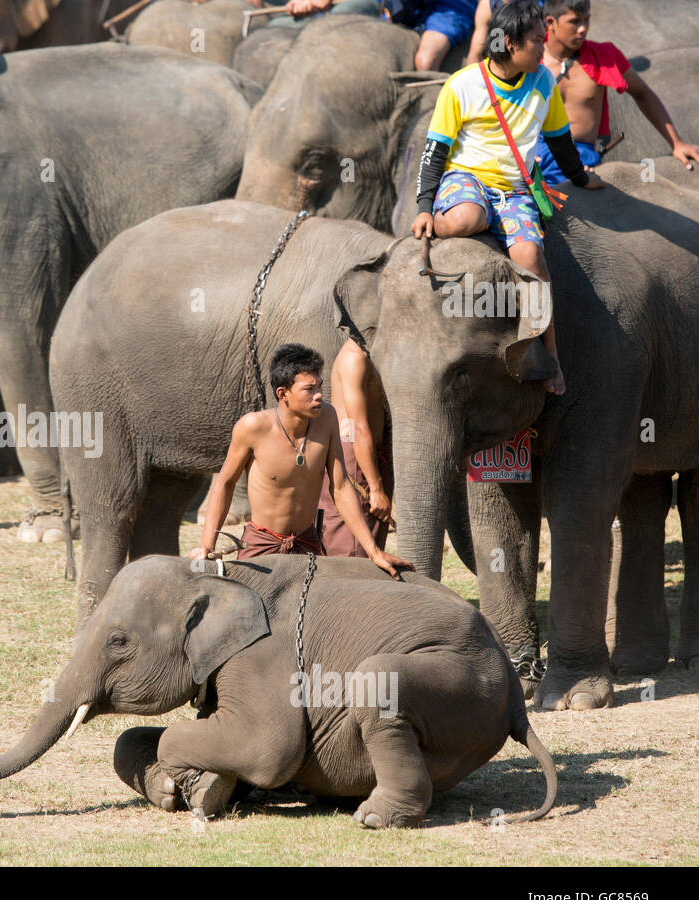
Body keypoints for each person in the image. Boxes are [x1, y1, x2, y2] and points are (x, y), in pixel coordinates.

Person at [411, 0, 604, 396]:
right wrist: (425, 207)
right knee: (466, 219)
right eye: (536, 40)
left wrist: (580, 177)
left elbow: (559, 140)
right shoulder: (462, 84)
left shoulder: (543, 83)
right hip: (466, 178)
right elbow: (434, 153)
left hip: (514, 190)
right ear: (510, 44)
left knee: (532, 259)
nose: (544, 46)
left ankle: (550, 356)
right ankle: (433, 229)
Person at [189, 344, 414, 581]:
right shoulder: (252, 427)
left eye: (320, 386)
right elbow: (225, 483)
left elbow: (340, 487)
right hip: (261, 546)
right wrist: (207, 543)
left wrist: (373, 550)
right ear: (282, 394)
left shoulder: (327, 418)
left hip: (307, 543)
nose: (318, 395)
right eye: (309, 389)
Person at [535, 0, 699, 180]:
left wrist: (677, 143)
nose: (583, 28)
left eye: (586, 20)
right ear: (550, 22)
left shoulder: (604, 55)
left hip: (581, 156)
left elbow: (642, 93)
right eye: (575, 21)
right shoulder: (527, 58)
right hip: (535, 153)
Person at [318, 338, 393, 557]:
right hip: (356, 460)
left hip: (371, 455)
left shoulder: (373, 354)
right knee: (353, 545)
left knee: (373, 540)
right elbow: (358, 428)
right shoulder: (355, 358)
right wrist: (376, 487)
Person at [466, 0, 542, 65]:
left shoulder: (533, 7)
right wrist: (471, 80)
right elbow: (476, 53)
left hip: (527, 67)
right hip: (498, 66)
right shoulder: (488, 5)